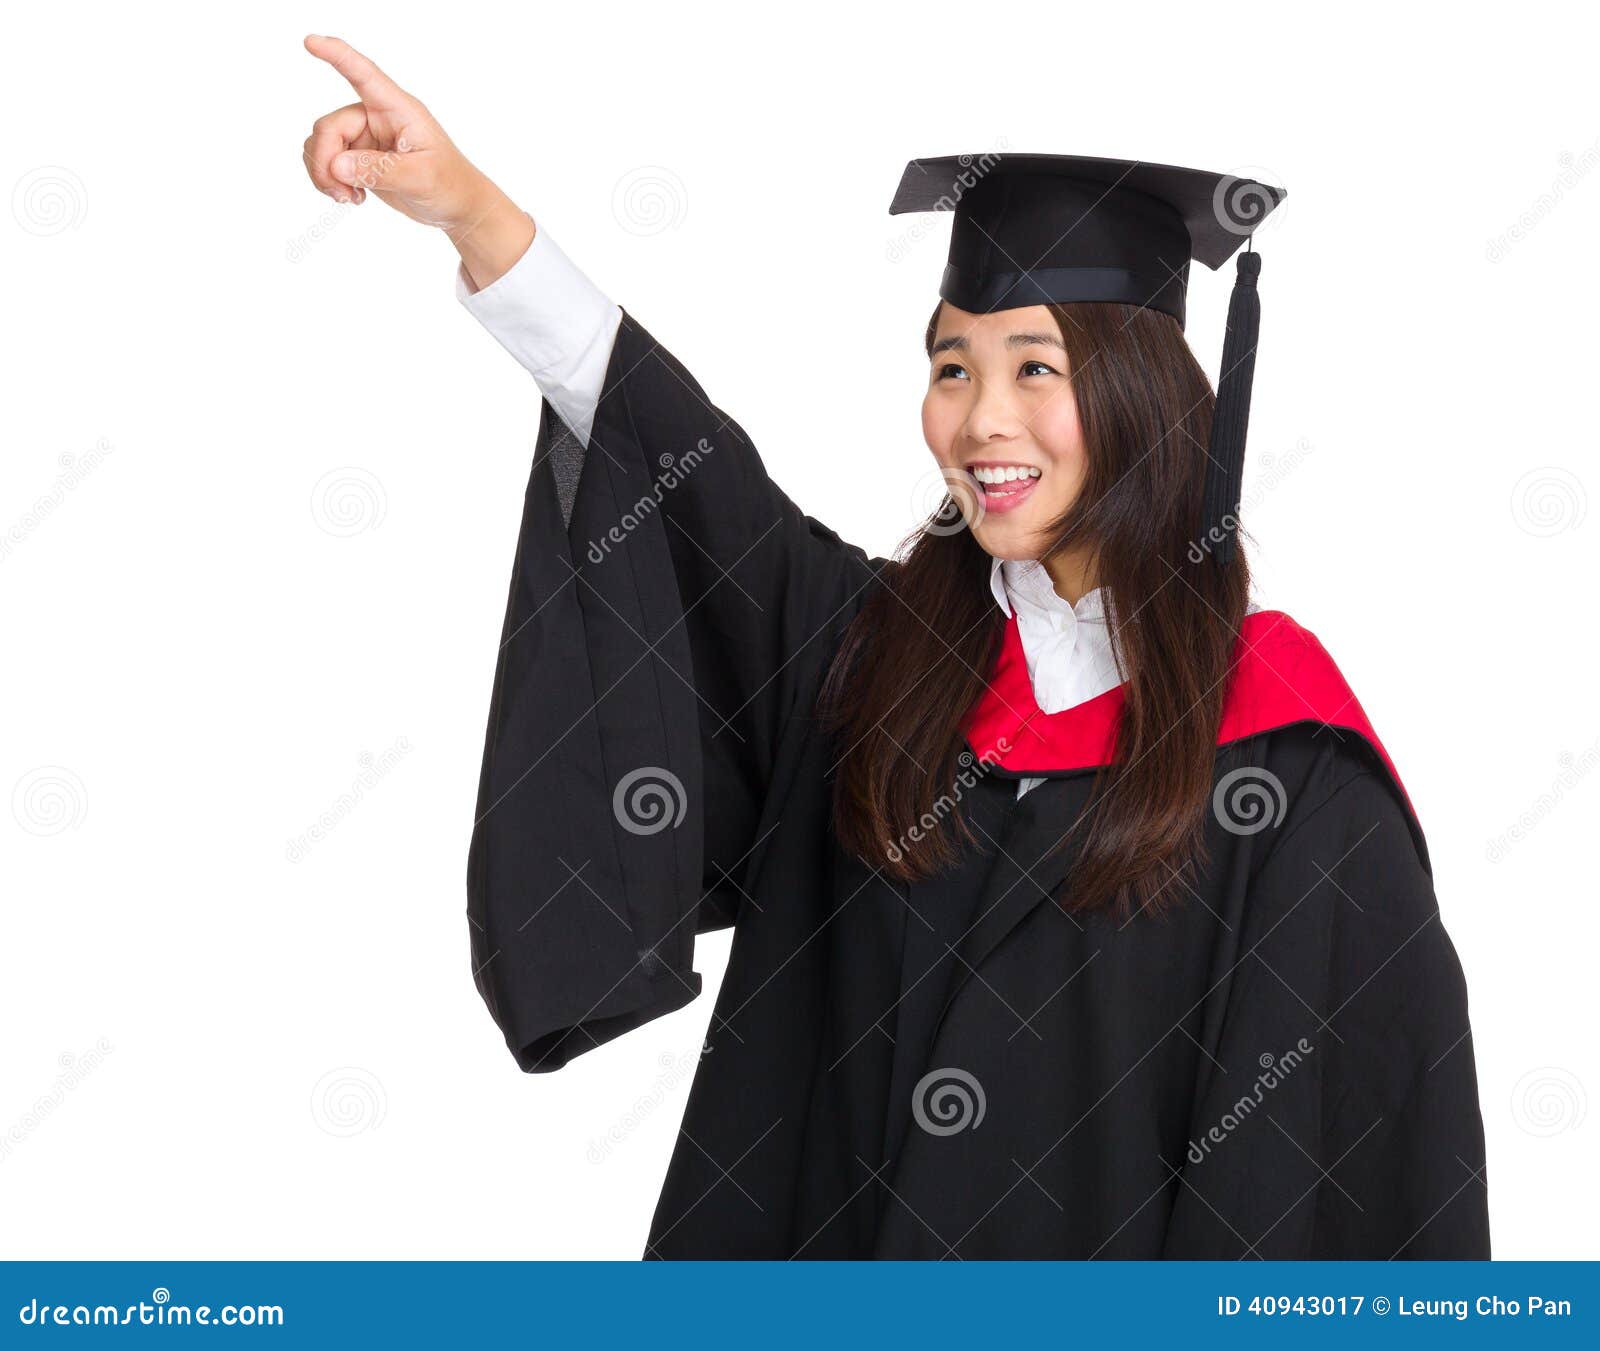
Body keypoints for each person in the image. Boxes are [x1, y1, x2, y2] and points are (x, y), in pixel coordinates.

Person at [301, 35, 1492, 1260]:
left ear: (1149, 395)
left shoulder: (1288, 778)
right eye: (949, 365)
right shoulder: (875, 665)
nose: (980, 419)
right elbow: (675, 465)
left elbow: (1360, 1173)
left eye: (1036, 366)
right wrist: (472, 215)